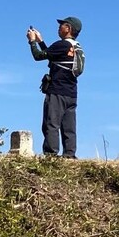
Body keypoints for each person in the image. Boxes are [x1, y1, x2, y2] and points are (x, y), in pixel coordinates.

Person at [27, 16, 85, 158]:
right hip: (71, 93)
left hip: (57, 92)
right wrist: (41, 41)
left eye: (62, 25)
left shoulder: (62, 45)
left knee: (51, 124)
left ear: (69, 29)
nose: (59, 28)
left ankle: (51, 155)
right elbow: (52, 56)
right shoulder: (77, 48)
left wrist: (32, 41)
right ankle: (70, 155)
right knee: (69, 127)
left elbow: (39, 56)